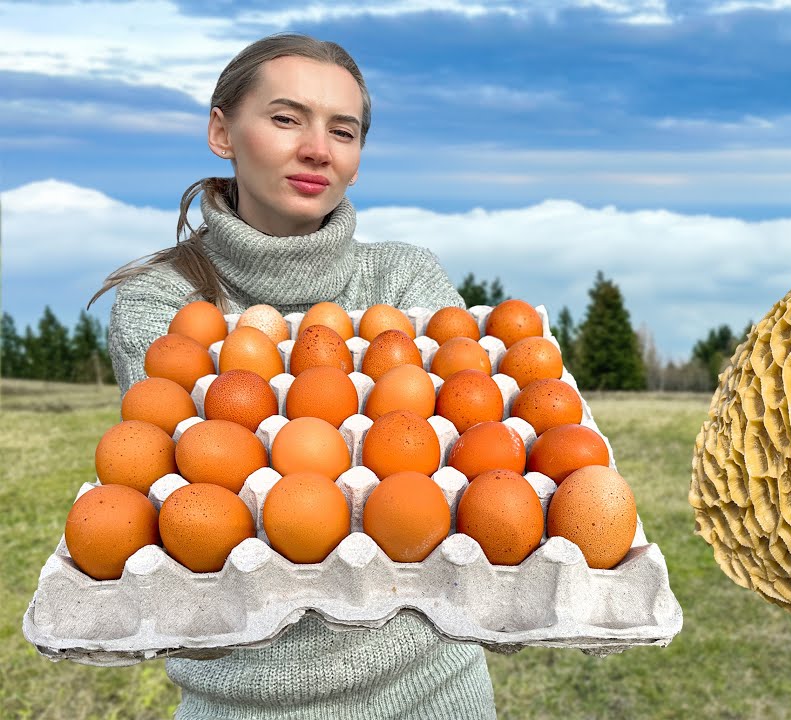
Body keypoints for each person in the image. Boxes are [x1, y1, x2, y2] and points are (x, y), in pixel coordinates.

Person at [90, 33, 497, 719]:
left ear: (359, 158)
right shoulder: (164, 303)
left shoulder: (406, 279)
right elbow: (195, 491)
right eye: (286, 119)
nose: (318, 149)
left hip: (433, 690)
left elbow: (467, 452)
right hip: (238, 701)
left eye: (343, 131)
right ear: (222, 130)